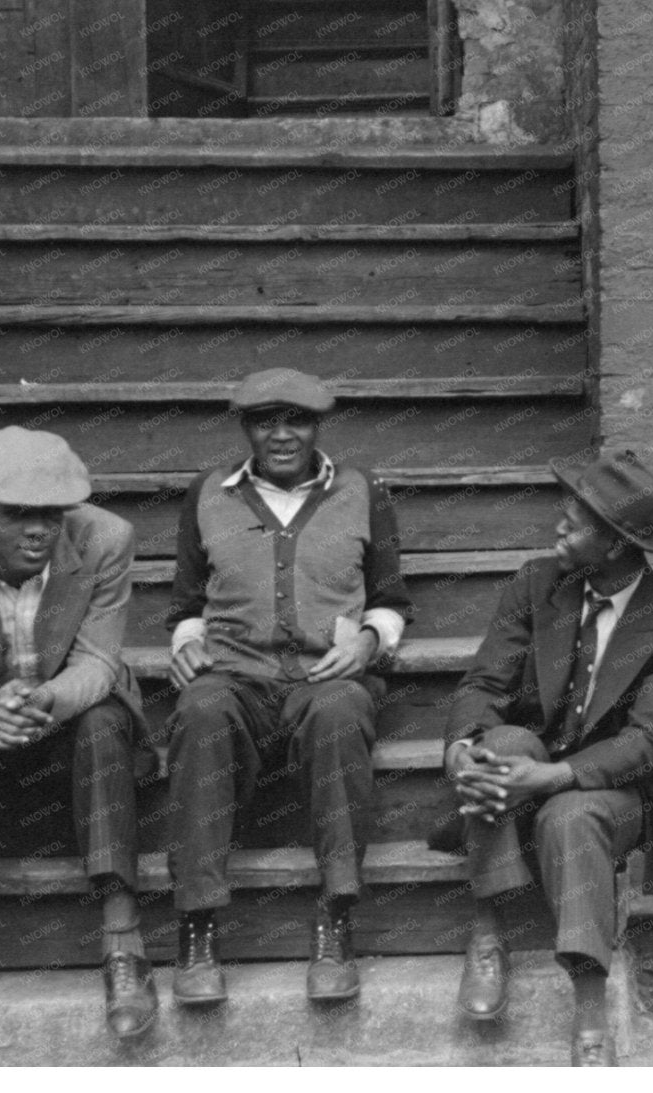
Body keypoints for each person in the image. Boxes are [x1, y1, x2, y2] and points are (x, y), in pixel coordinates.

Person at [440, 448, 653, 1067]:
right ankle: (489, 930)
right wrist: (463, 748)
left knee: (569, 816)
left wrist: (555, 777)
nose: (558, 529)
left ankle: (590, 1006)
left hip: (616, 791)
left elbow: (650, 741)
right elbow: (484, 685)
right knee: (497, 749)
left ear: (616, 544)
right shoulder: (538, 584)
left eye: (574, 524)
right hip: (525, 760)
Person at [0, 427, 157, 1043]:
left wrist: (44, 699)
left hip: (68, 713)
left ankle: (124, 938)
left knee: (103, 720)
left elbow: (97, 661)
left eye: (51, 514)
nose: (39, 530)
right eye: (18, 516)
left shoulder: (106, 539)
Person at [163, 368, 413, 1006]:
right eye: (264, 421)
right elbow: (188, 602)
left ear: (317, 426)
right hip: (235, 674)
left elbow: (389, 599)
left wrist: (367, 643)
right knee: (199, 712)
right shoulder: (209, 493)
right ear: (246, 428)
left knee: (339, 714)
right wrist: (188, 644)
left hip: (324, 675)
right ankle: (198, 923)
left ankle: (336, 915)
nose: (281, 435)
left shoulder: (362, 491)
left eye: (296, 420)